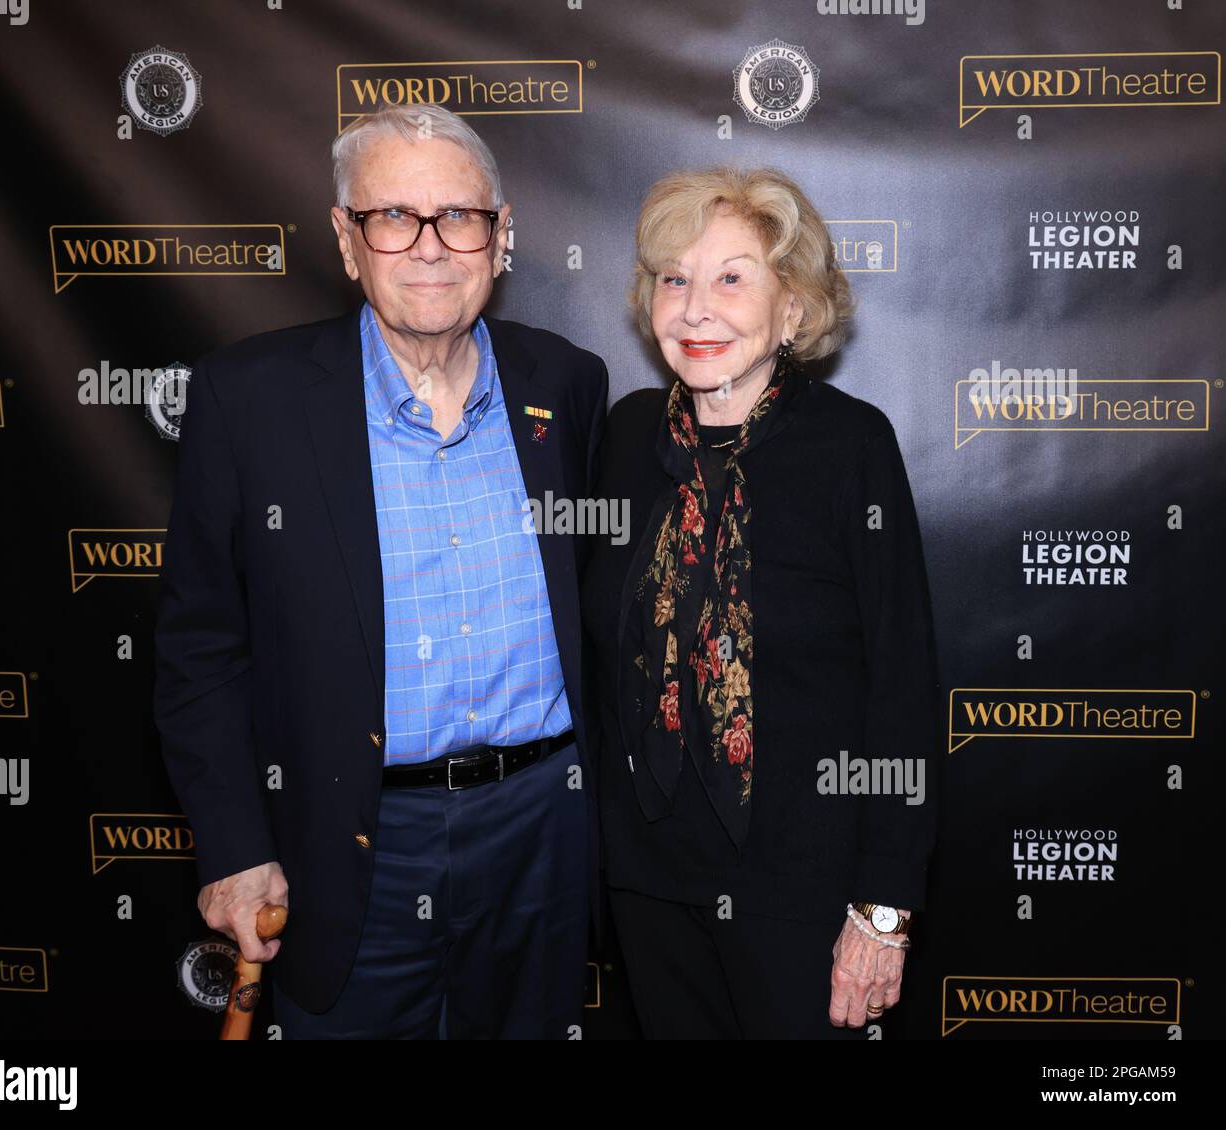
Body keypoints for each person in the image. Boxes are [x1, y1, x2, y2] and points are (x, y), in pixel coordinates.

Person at [154, 102, 608, 1039]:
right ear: (345, 239)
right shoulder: (250, 401)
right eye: (393, 216)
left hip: (545, 833)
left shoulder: (566, 383)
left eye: (462, 217)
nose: (432, 246)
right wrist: (236, 848)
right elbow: (200, 653)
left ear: (502, 235)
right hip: (350, 839)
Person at [580, 166, 941, 1039]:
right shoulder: (625, 437)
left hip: (804, 891)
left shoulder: (849, 446)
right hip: (647, 883)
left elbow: (903, 684)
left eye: (732, 278)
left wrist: (883, 912)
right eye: (676, 279)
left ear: (793, 309)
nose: (696, 308)